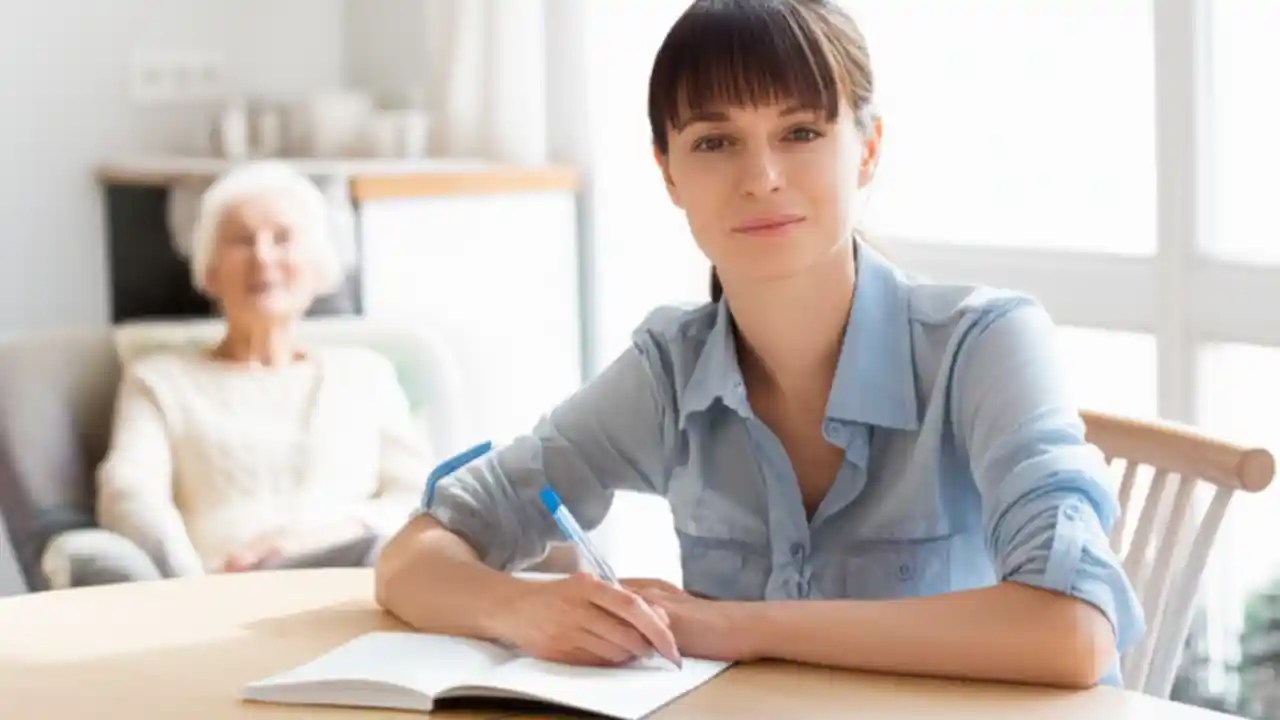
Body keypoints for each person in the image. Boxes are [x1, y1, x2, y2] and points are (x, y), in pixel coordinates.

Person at [375, 0, 1143, 688]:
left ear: (867, 149)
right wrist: (522, 610)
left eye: (801, 132)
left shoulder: (985, 344)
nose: (762, 176)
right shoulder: (670, 371)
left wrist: (737, 626)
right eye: (715, 142)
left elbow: (1072, 631)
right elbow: (414, 558)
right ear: (668, 173)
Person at [96, 162, 432, 577]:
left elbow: (422, 496)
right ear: (210, 270)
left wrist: (324, 536)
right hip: (224, 587)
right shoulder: (160, 381)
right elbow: (129, 493)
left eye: (283, 238)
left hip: (353, 573)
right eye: (241, 240)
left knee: (399, 557)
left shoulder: (367, 375)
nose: (263, 256)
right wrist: (188, 582)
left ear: (317, 267)